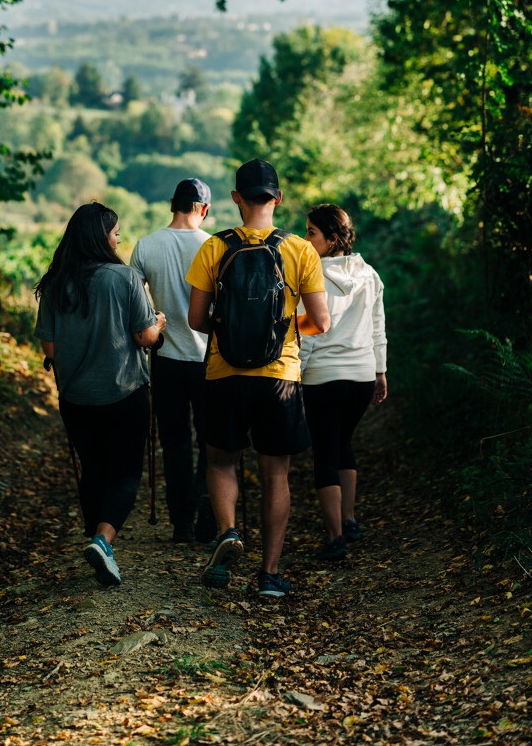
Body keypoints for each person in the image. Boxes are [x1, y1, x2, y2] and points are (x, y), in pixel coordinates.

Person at [186, 159, 330, 597]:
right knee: (276, 474)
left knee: (221, 460)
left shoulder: (215, 247)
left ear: (235, 198)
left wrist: (230, 329)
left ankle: (229, 531)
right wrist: (285, 327)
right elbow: (320, 321)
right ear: (278, 198)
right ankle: (269, 575)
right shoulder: (299, 250)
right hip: (280, 375)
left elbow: (195, 318)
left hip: (224, 372)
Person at [34, 202, 166, 587]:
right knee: (126, 472)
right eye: (115, 231)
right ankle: (103, 541)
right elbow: (145, 337)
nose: (119, 237)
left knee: (93, 469)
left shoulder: (56, 281)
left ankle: (98, 541)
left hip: (76, 396)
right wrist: (158, 323)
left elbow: (51, 350)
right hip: (124, 391)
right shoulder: (124, 278)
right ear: (100, 237)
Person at [130, 177, 217, 544]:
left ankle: (181, 522)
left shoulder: (146, 246)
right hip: (211, 359)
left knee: (175, 440)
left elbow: (133, 305)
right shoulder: (215, 245)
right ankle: (208, 512)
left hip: (164, 356)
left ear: (171, 204)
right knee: (213, 441)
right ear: (205, 209)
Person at [299, 203, 387, 560]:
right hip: (362, 375)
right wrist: (380, 371)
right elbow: (378, 326)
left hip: (324, 374)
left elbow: (311, 332)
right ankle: (349, 520)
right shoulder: (370, 274)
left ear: (332, 238)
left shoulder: (313, 275)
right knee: (344, 443)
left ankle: (334, 538)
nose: (306, 239)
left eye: (311, 233)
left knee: (325, 450)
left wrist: (297, 372)